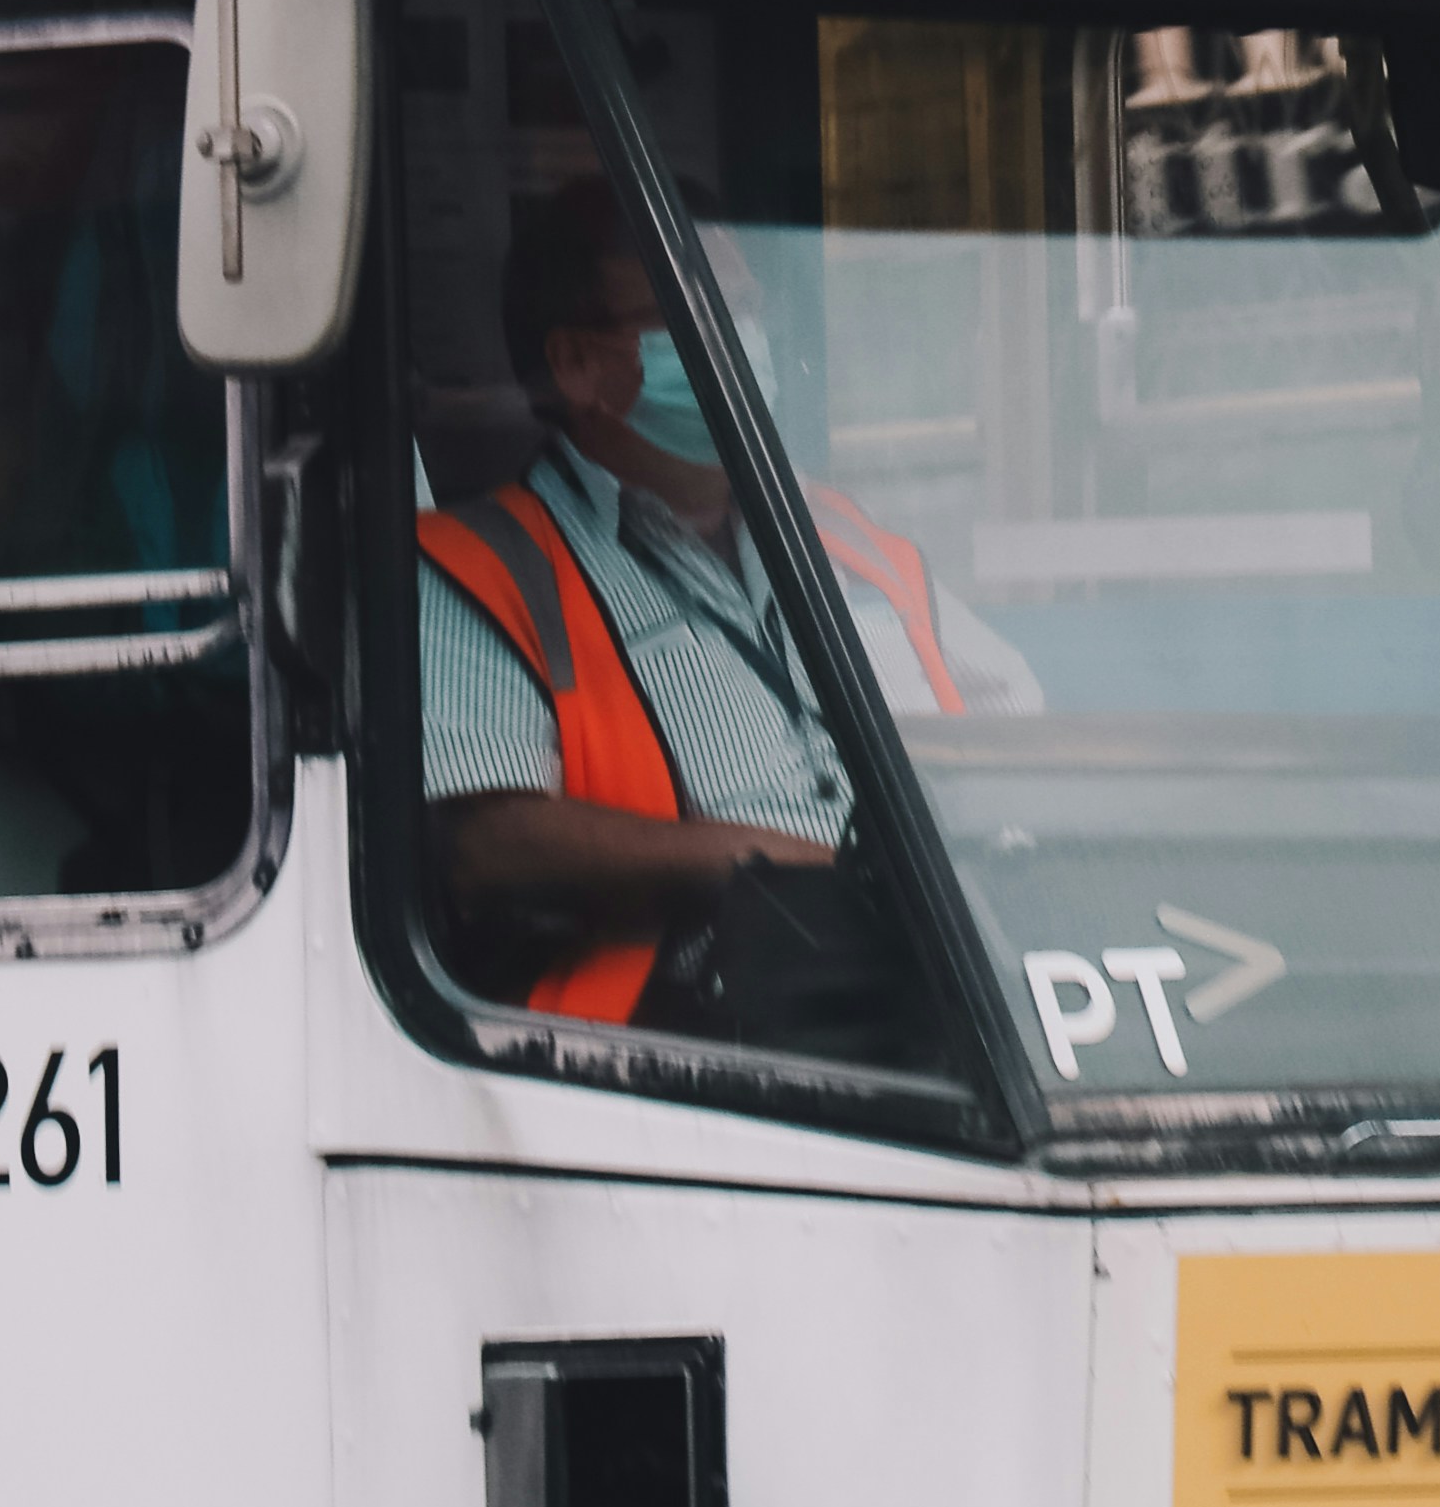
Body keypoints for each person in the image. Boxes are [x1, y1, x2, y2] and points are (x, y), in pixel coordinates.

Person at [416, 173, 1019, 1024]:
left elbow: (1020, 738)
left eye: (748, 312)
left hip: (946, 978)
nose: (745, 344)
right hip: (695, 1036)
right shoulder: (479, 565)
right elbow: (487, 845)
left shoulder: (841, 533)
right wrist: (768, 861)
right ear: (577, 364)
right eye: (697, 318)